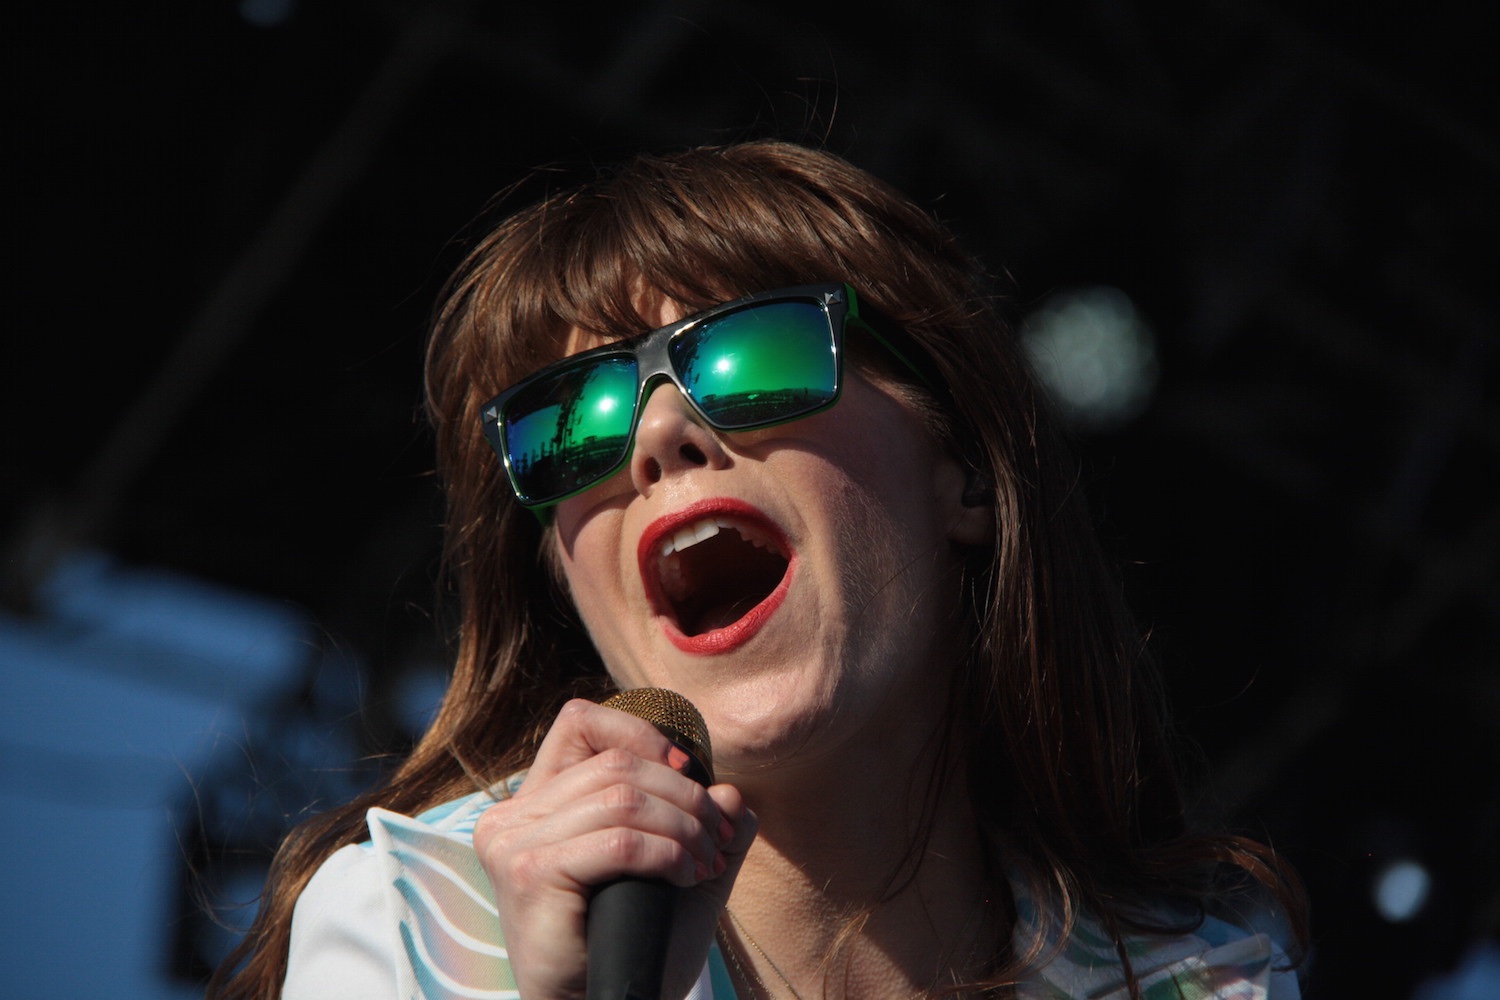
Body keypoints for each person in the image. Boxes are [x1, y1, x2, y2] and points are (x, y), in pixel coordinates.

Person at [210, 140, 1306, 1000]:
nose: (657, 437)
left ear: (966, 475)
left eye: (755, 355)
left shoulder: (1197, 976)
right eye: (569, 425)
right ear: (564, 573)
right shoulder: (426, 928)